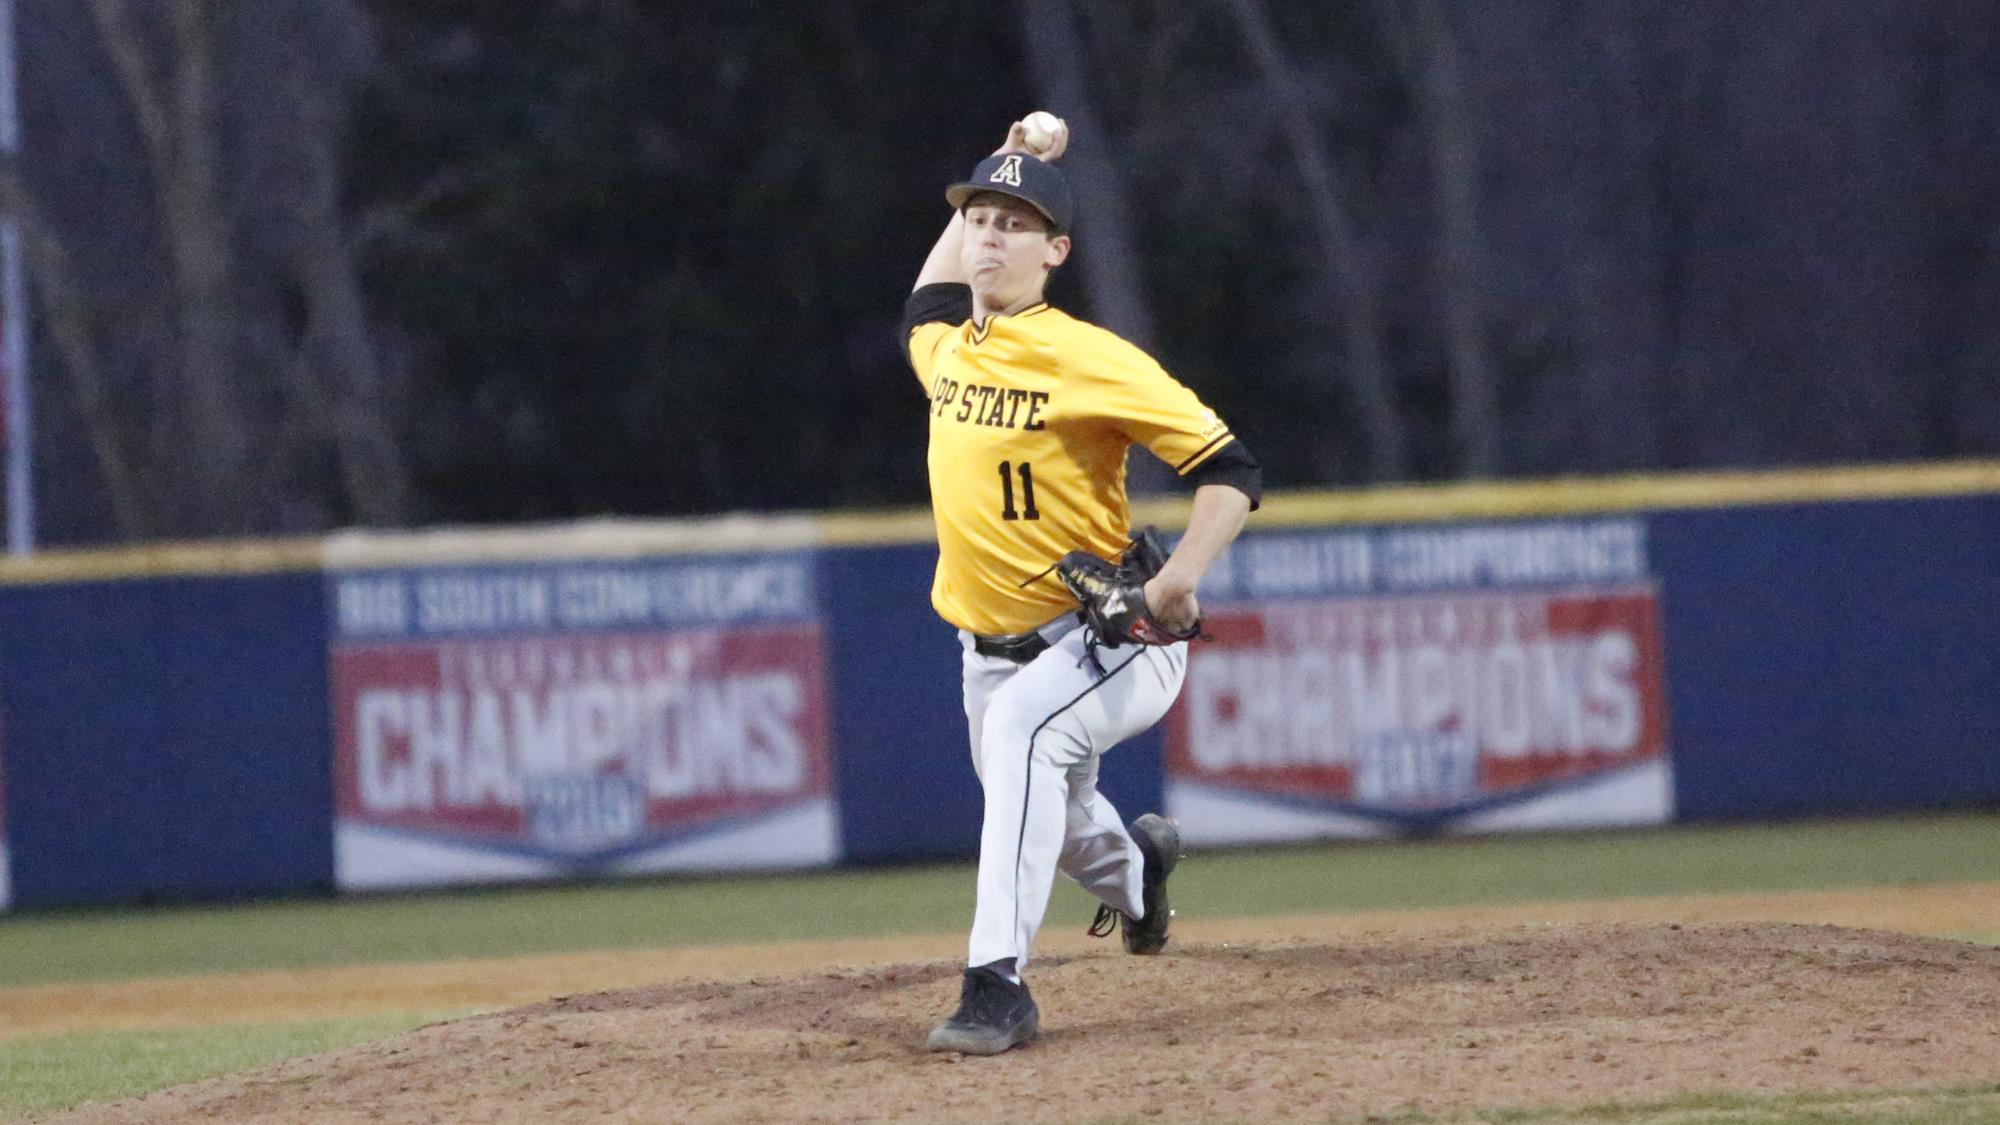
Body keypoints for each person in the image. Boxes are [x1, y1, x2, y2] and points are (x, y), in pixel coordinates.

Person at [901, 117, 1262, 1055]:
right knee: (1052, 818)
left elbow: (1232, 468)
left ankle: (996, 988)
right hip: (986, 650)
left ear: (1057, 251)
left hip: (1108, 634)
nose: (990, 234)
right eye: (981, 217)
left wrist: (1182, 577)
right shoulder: (949, 352)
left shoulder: (1089, 356)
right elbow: (926, 299)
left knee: (1026, 734)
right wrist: (1009, 152)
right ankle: (1138, 873)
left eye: (1016, 223)